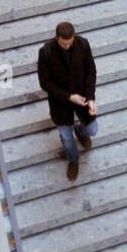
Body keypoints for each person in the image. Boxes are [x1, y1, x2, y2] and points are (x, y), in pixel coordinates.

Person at [37, 21, 98, 182]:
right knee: (66, 137)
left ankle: (80, 131)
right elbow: (45, 83)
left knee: (92, 130)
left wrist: (91, 98)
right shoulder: (46, 52)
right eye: (64, 43)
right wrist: (68, 96)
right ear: (57, 38)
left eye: (70, 42)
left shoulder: (83, 44)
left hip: (83, 97)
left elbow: (91, 72)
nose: (67, 46)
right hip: (60, 101)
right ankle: (73, 160)